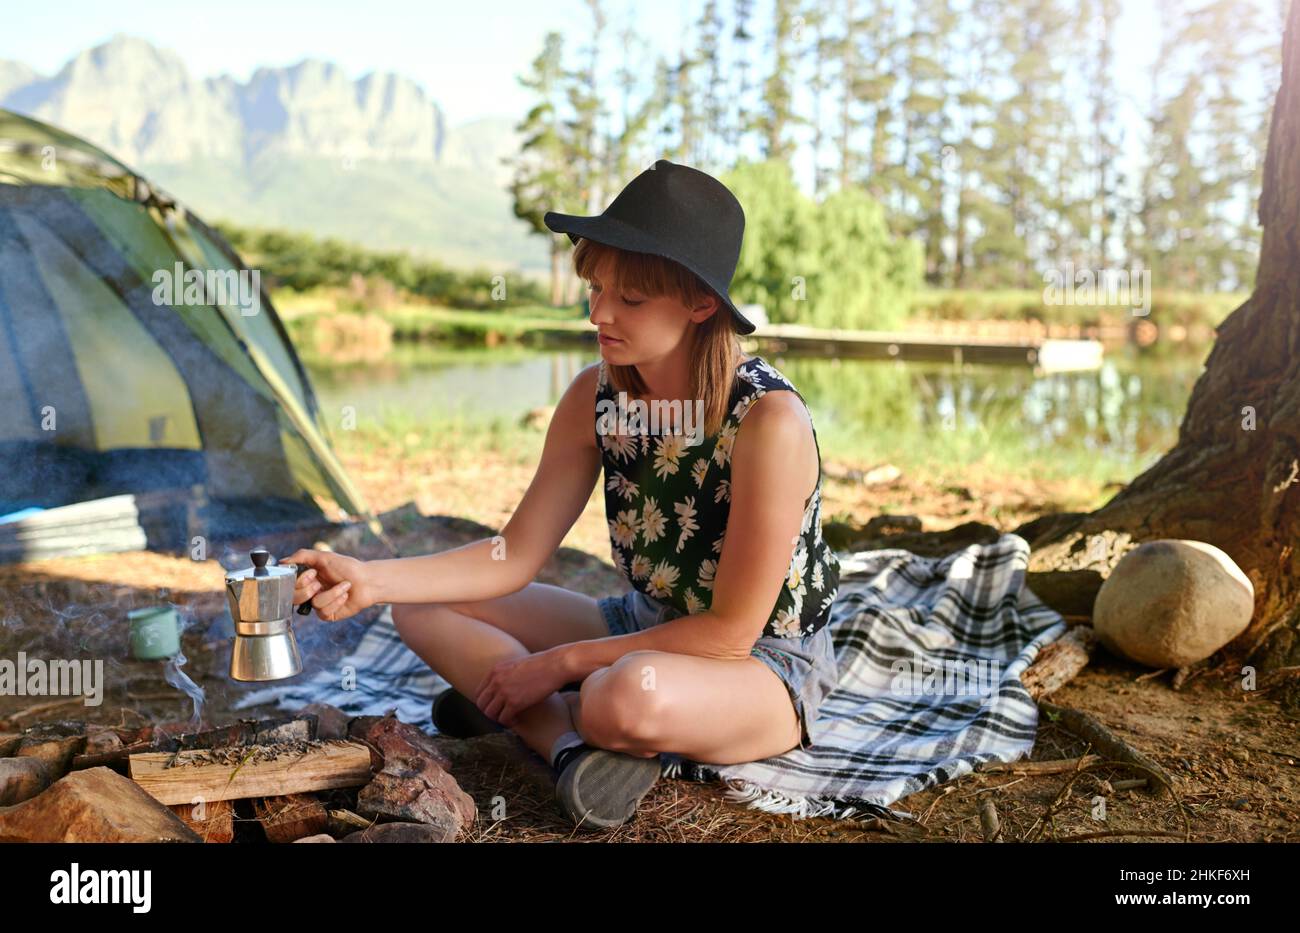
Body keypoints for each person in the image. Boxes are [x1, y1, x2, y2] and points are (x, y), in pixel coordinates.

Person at [286, 160, 841, 831]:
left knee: (622, 696)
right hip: (639, 624)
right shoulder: (596, 398)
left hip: (757, 664)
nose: (600, 312)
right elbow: (512, 553)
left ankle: (527, 701)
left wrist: (561, 663)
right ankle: (566, 743)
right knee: (418, 606)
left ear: (701, 304)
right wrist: (370, 578)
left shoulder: (768, 422)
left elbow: (728, 632)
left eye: (630, 299)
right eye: (598, 287)